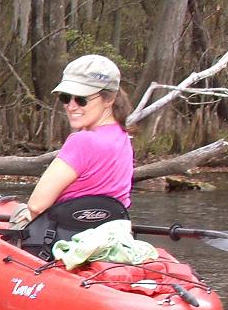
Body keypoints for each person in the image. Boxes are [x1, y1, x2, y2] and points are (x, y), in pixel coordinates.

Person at [10, 54, 135, 234]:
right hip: (106, 234)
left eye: (82, 99)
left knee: (20, 212)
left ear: (109, 99)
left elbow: (36, 206)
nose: (71, 106)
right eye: (66, 97)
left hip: (65, 237)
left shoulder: (82, 140)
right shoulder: (122, 136)